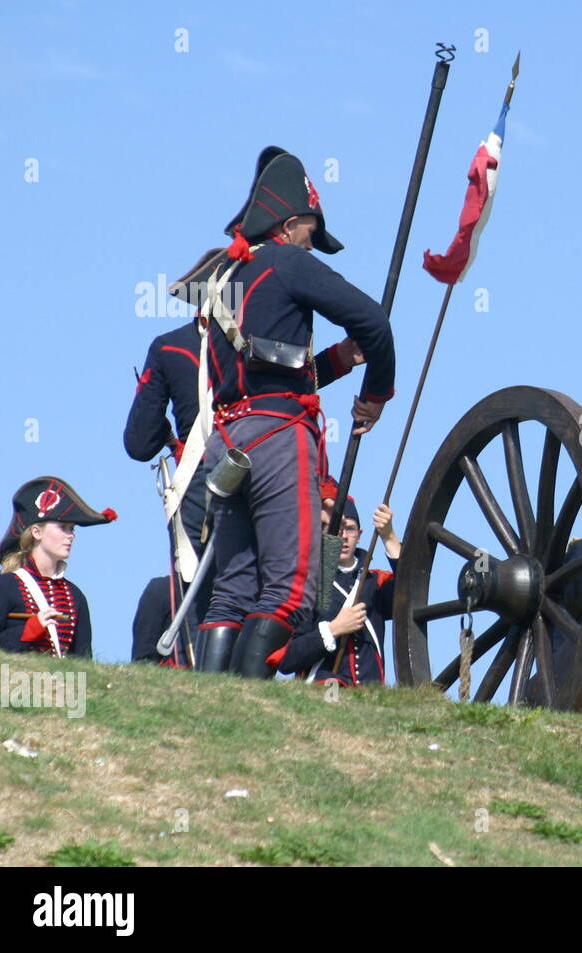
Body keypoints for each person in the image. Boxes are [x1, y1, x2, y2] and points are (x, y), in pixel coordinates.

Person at [194, 146, 396, 679]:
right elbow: (374, 322)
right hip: (280, 439)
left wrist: (334, 361)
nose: (313, 245)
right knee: (291, 587)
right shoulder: (286, 259)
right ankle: (248, 705)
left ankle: (210, 704)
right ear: (289, 224)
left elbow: (254, 372)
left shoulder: (223, 274)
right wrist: (376, 395)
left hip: (228, 442)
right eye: (310, 232)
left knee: (233, 590)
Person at [124, 294, 368, 664]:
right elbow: (286, 390)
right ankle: (249, 682)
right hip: (273, 463)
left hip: (201, 482)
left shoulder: (168, 347)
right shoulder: (260, 336)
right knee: (275, 587)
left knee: (215, 594)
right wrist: (339, 358)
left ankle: (208, 684)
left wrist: (170, 436)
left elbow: (139, 442)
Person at [269, 487, 401, 685]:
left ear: (359, 534)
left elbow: (409, 592)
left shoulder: (375, 584)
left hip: (370, 696)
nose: (344, 537)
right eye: (336, 530)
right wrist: (333, 629)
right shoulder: (307, 587)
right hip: (327, 691)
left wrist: (389, 536)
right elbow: (286, 660)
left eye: (350, 529)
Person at [0, 478, 116, 658]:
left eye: (72, 529)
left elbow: (84, 662)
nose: (71, 536)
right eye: (63, 527)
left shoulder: (75, 596)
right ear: (37, 532)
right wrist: (28, 631)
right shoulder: (2, 586)